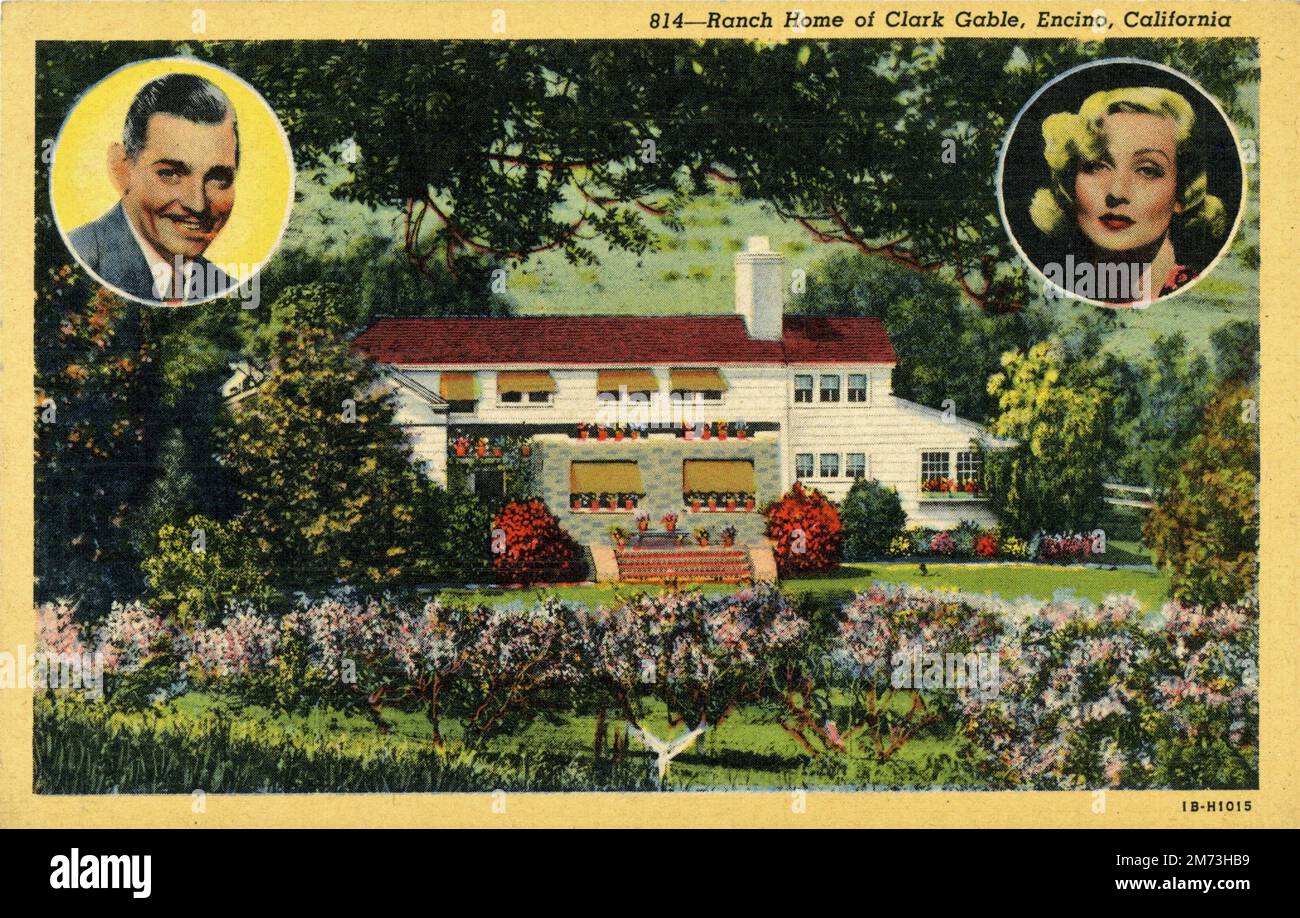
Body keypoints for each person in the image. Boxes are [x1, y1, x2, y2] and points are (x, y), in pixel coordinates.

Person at [1028, 86, 1227, 306]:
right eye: (1096, 166)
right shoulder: (1048, 294)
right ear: (1070, 185)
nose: (1116, 192)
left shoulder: (1207, 302)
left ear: (1182, 191)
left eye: (1147, 170)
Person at [68, 72, 240, 305]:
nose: (198, 204)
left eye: (218, 178)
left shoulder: (227, 288)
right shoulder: (73, 264)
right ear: (123, 169)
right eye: (170, 174)